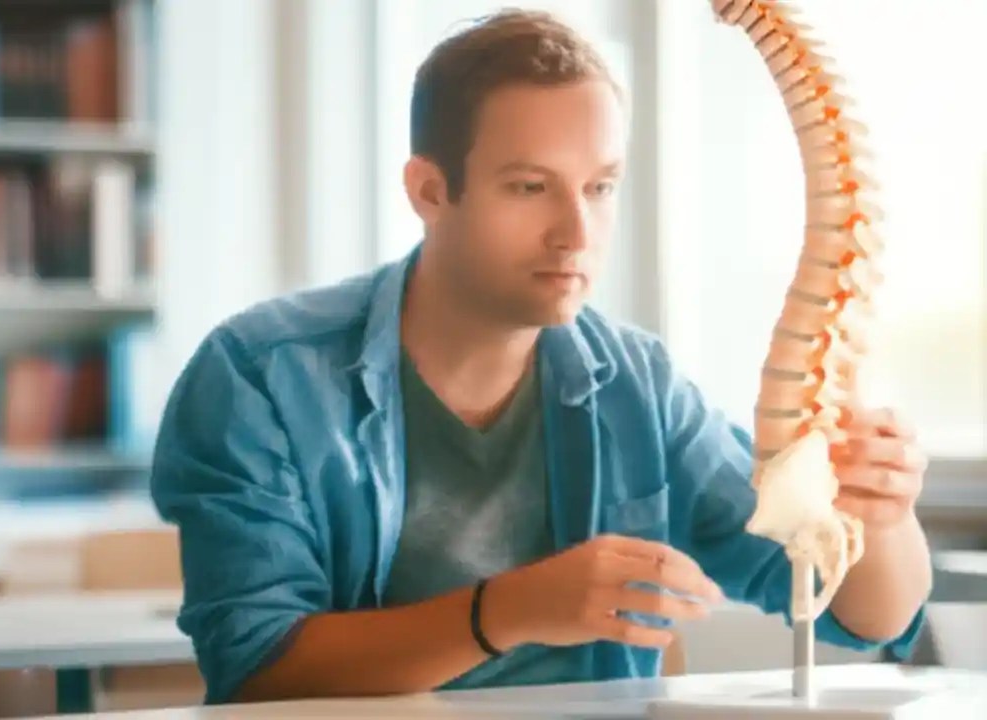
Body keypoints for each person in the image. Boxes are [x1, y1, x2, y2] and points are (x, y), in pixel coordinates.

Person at [149, 8, 931, 706]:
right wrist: (510, 610)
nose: (577, 234)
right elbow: (255, 668)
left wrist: (883, 517)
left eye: (600, 187)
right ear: (429, 191)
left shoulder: (640, 385)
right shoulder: (260, 376)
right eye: (530, 188)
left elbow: (862, 617)